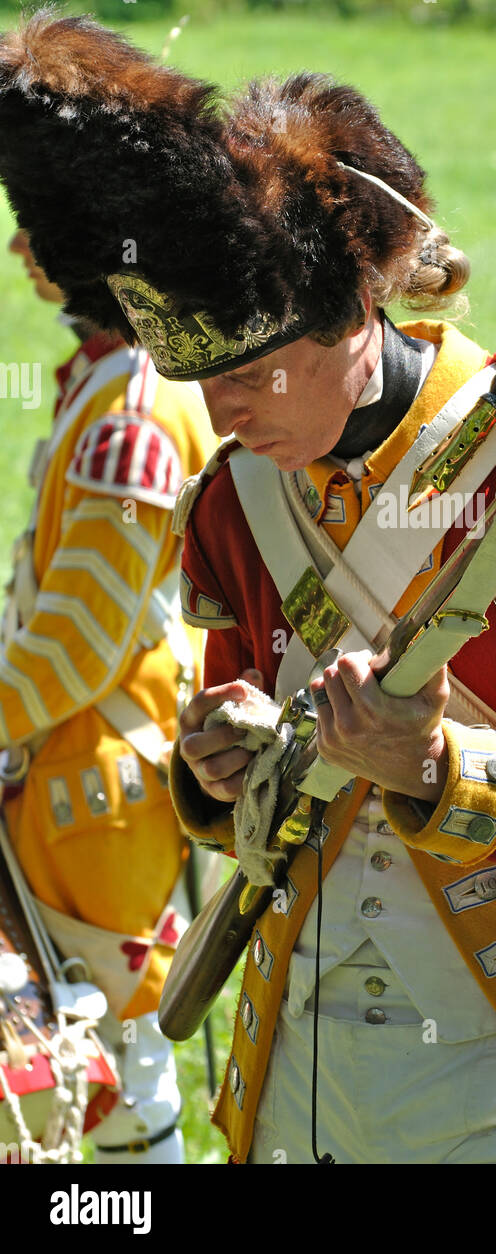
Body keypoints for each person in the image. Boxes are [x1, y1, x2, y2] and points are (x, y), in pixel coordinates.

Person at [0, 9, 496, 1165]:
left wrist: (435, 769)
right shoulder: (238, 503)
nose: (219, 413)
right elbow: (249, 781)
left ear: (351, 312)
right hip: (294, 1060)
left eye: (247, 374)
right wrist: (218, 764)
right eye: (195, 381)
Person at [0, 225, 217, 1163]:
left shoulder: (130, 410)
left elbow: (77, 647)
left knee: (114, 1082)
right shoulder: (116, 382)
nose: (17, 245)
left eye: (39, 225)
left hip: (90, 791)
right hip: (77, 772)